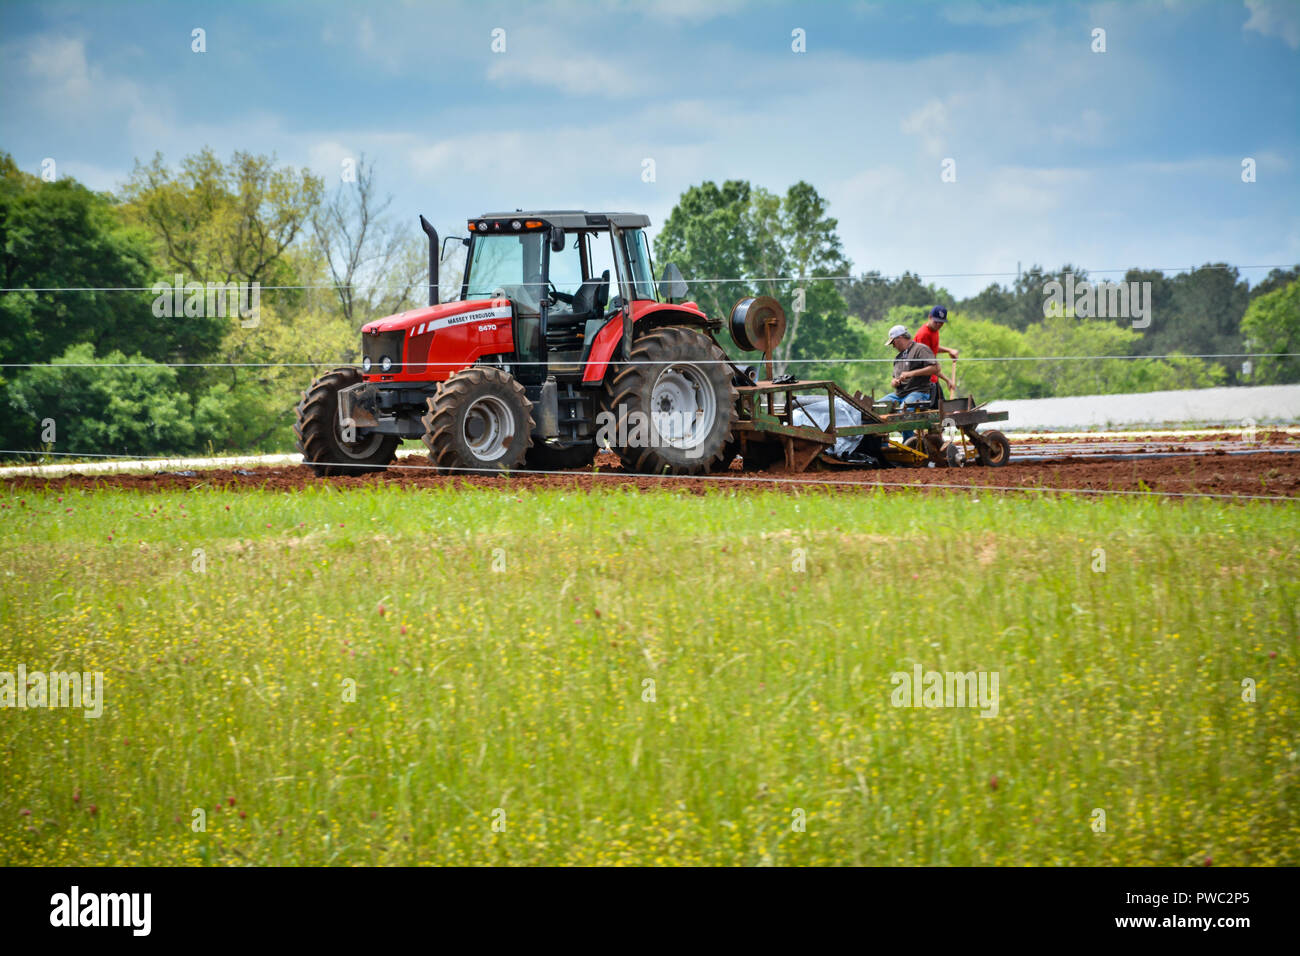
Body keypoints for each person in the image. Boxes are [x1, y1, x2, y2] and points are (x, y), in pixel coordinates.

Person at [881, 324, 939, 441]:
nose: (893, 346)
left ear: (900, 338)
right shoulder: (898, 358)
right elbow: (893, 379)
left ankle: (909, 442)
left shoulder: (920, 349)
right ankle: (882, 443)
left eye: (893, 343)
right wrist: (894, 382)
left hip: (919, 392)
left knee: (905, 411)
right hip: (899, 395)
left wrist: (910, 373)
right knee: (877, 407)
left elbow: (935, 368)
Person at [914, 306, 957, 393]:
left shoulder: (934, 330)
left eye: (941, 322)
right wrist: (947, 380)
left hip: (933, 378)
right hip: (924, 381)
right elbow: (928, 366)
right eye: (936, 322)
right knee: (937, 406)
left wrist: (949, 350)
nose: (938, 325)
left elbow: (933, 348)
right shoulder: (923, 335)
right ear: (930, 317)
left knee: (942, 405)